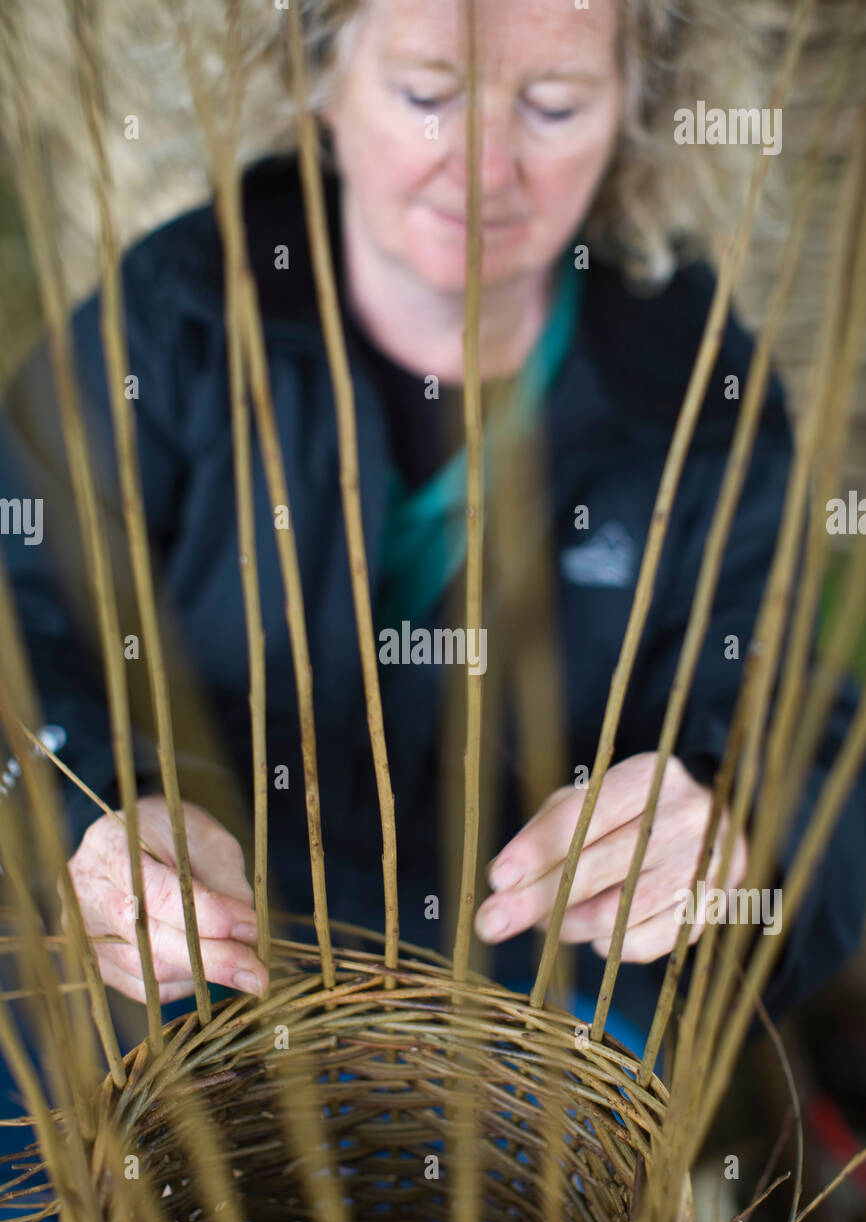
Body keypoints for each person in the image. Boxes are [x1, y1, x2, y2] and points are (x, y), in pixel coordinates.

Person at [1, 0, 864, 1088]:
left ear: (635, 116)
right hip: (172, 996)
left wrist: (733, 826)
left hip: (526, 1037)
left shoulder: (695, 389)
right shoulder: (175, 319)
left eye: (551, 106)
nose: (483, 169)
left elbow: (795, 722)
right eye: (424, 96)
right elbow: (21, 608)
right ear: (318, 77)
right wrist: (97, 805)